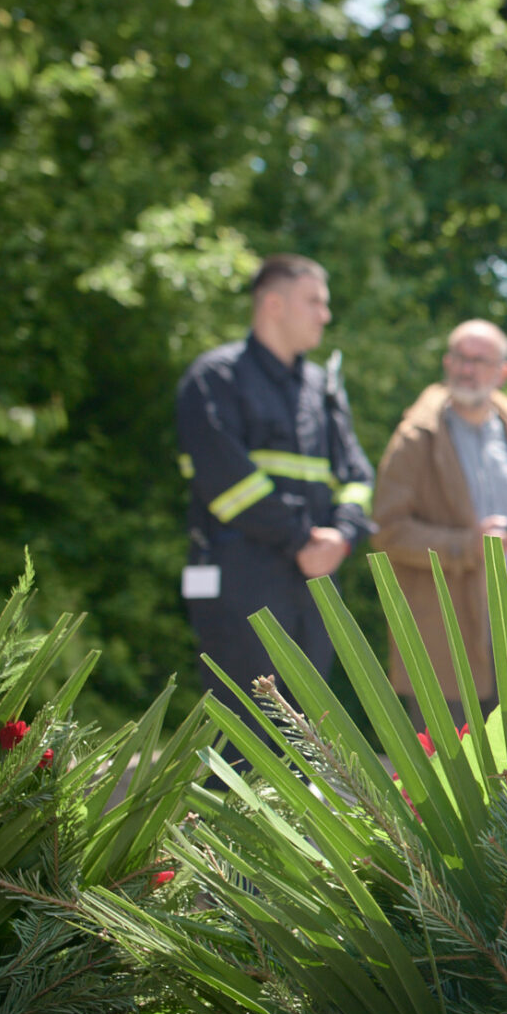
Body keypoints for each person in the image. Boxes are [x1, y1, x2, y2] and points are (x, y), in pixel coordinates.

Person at [176, 255, 376, 727]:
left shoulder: (321, 386)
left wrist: (343, 536)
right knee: (246, 731)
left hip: (314, 582)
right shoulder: (215, 378)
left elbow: (358, 478)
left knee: (309, 733)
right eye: (314, 302)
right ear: (272, 304)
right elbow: (228, 485)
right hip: (242, 576)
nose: (325, 316)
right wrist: (304, 540)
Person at [369, 321, 507, 722]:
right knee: (451, 770)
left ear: (503, 372)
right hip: (443, 629)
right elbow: (387, 530)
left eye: (480, 361)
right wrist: (465, 545)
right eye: (460, 358)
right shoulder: (416, 436)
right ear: (447, 363)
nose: (467, 370)